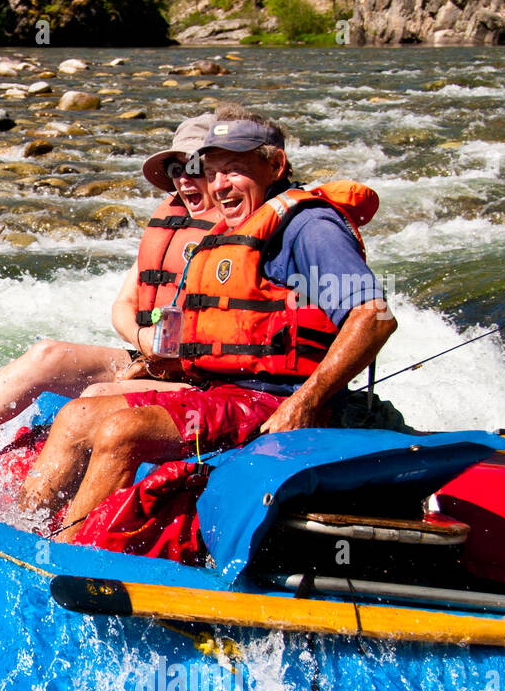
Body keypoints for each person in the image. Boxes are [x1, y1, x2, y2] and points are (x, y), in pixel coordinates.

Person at [21, 103, 396, 539]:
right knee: (78, 414)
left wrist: (306, 401)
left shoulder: (308, 227)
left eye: (233, 170)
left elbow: (373, 316)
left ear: (275, 164)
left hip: (272, 403)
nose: (219, 186)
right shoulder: (230, 230)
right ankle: (21, 528)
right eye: (212, 173)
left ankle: (72, 555)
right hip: (221, 394)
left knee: (123, 430)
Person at [0, 115, 220, 431]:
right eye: (175, 170)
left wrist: (159, 359)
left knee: (97, 396)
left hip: (203, 379)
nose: (184, 179)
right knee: (46, 354)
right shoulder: (176, 222)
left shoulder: (243, 231)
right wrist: (146, 345)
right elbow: (123, 306)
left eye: (195, 167)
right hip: (153, 358)